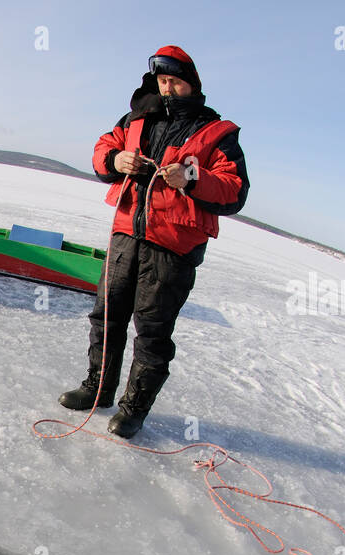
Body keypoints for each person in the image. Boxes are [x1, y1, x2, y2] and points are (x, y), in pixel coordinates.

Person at [59, 45, 250, 438]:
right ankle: (97, 389)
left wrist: (192, 178)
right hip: (126, 235)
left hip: (172, 247)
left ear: (192, 84)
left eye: (175, 82)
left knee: (152, 332)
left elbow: (234, 189)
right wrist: (115, 161)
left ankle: (133, 409)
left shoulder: (216, 133)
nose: (167, 88)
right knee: (106, 317)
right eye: (162, 81)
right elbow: (103, 148)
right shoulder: (136, 119)